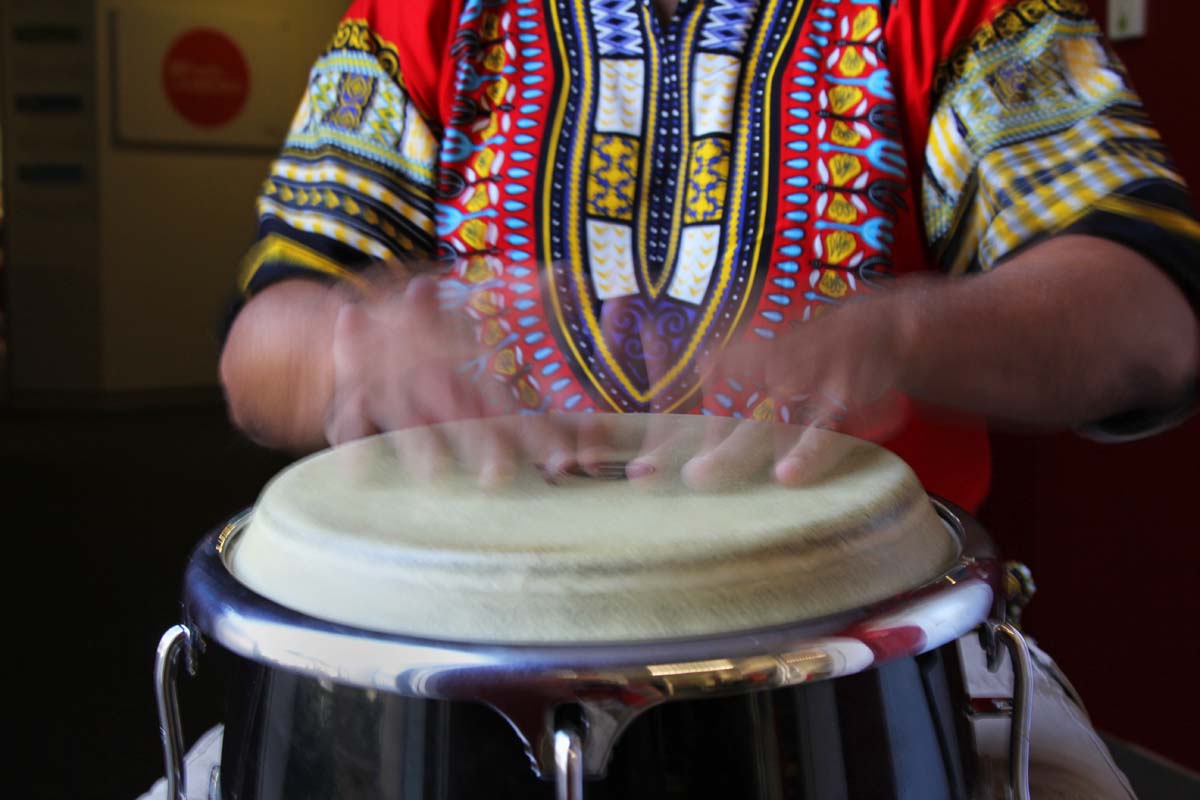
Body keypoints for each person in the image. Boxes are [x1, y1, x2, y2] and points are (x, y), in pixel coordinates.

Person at [158, 0, 1197, 797]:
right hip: (423, 672)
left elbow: (1150, 318)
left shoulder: (945, 13)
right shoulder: (424, 18)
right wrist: (346, 343)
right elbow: (260, 348)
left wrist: (903, 328)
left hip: (879, 667)